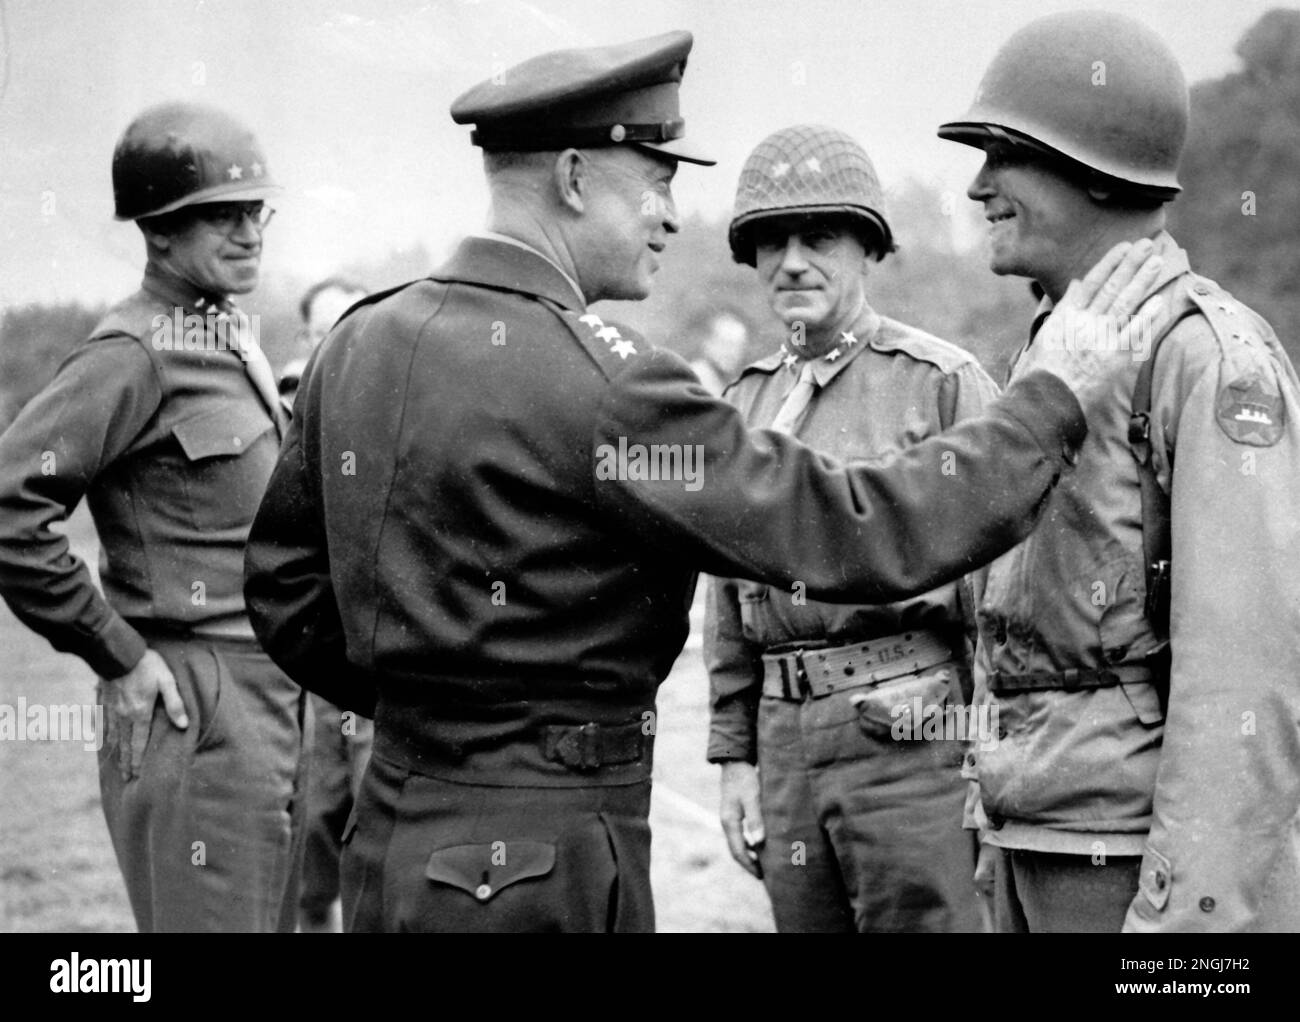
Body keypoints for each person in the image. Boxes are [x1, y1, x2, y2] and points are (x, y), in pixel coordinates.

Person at [244, 29, 1161, 933]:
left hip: (393, 835)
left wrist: (441, 714)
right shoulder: (614, 386)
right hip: (547, 854)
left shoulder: (357, 343)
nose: (673, 217)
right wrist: (1048, 402)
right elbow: (857, 530)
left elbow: (285, 594)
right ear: (572, 179)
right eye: (657, 181)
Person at [939, 9, 1300, 932]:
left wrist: (1185, 929)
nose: (980, 185)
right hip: (1033, 843)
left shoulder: (1208, 360)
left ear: (1093, 170)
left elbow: (1245, 686)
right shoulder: (1051, 357)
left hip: (1137, 870)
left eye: (1004, 154)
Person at [0, 102, 309, 932]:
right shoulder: (130, 354)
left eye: (256, 211)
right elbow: (9, 509)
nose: (249, 233)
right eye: (219, 215)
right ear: (158, 229)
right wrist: (118, 654)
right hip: (192, 701)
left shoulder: (225, 338)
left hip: (272, 698)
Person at [705, 124, 997, 932]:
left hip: (913, 740)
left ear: (867, 248)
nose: (792, 260)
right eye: (772, 240)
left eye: (820, 237)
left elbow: (998, 597)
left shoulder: (940, 385)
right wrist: (734, 757)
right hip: (786, 744)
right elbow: (725, 606)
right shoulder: (743, 405)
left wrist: (989, 761)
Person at [281, 276, 375, 933]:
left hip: (381, 665)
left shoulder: (402, 409)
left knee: (376, 824)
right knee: (313, 824)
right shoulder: (287, 415)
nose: (332, 343)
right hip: (310, 668)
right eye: (320, 331)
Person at [279, 276, 369, 407]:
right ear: (305, 339)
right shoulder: (290, 400)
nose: (343, 344)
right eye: (326, 333)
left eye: (356, 330)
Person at [686, 309, 750, 396]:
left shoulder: (728, 382)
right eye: (726, 344)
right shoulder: (694, 378)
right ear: (708, 344)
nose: (732, 353)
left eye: (738, 346)